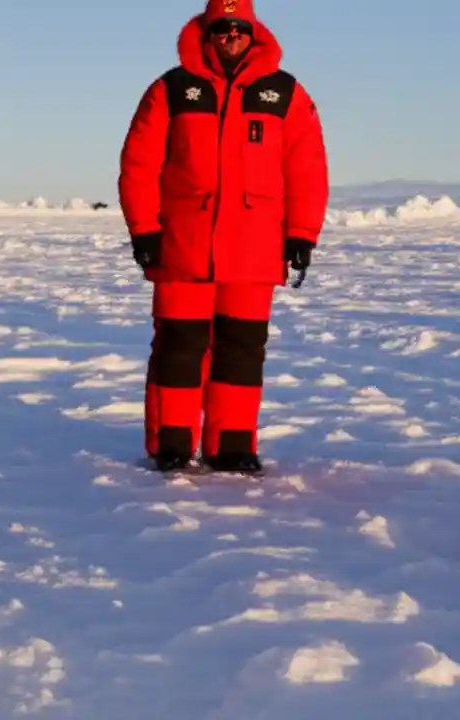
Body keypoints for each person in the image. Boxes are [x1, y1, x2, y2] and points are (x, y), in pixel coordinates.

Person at [117, 0, 329, 475]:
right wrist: (144, 228)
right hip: (183, 246)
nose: (230, 35)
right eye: (221, 27)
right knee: (178, 347)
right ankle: (170, 446)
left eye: (239, 28)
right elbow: (138, 165)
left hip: (253, 251)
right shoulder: (171, 90)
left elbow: (307, 169)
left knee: (240, 349)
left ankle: (231, 447)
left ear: (252, 32)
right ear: (206, 31)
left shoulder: (285, 94)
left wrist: (300, 234)